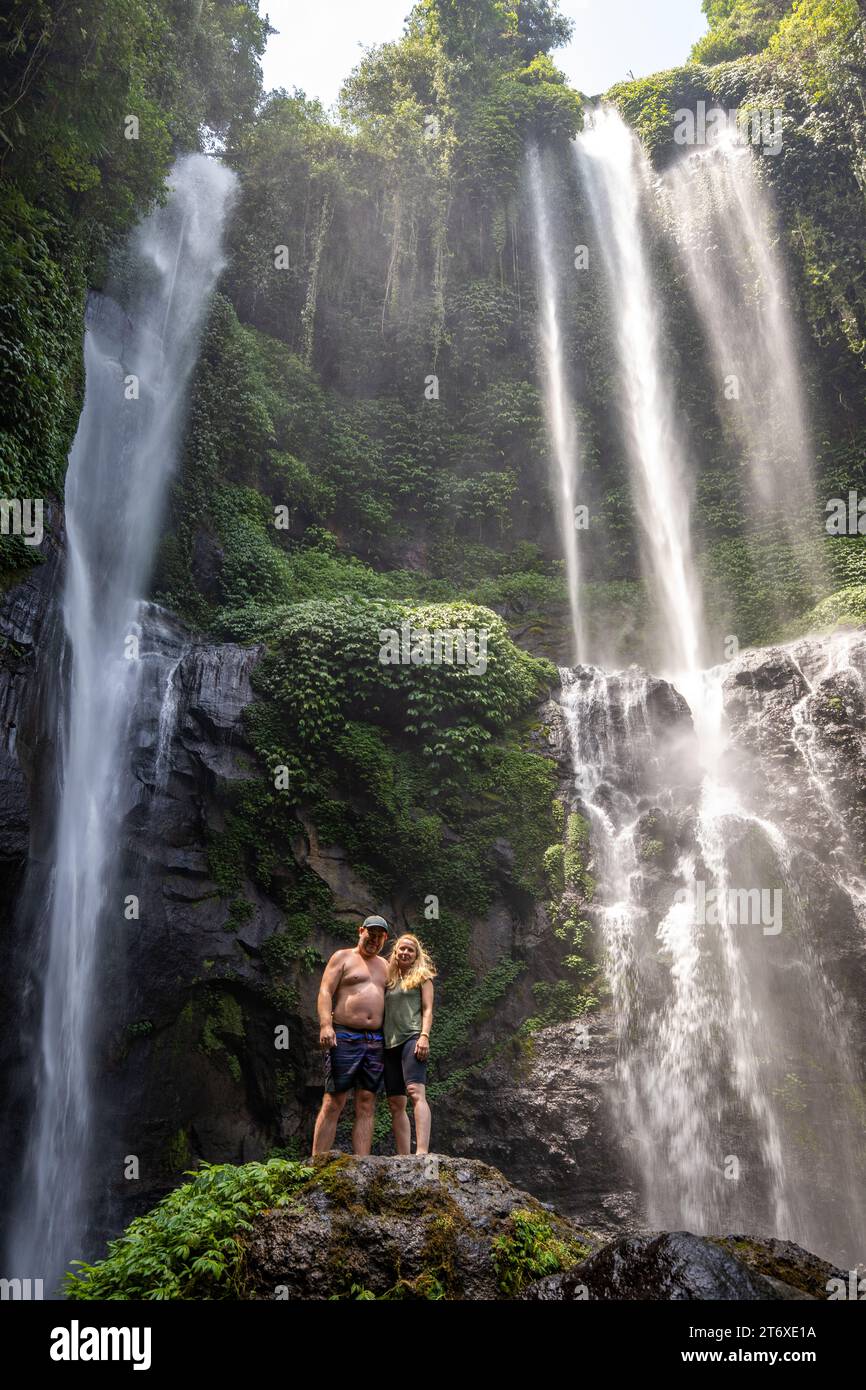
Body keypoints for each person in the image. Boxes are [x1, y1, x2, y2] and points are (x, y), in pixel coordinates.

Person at [312, 915, 390, 1156]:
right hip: (345, 1034)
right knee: (334, 1099)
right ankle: (317, 1163)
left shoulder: (386, 966)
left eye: (379, 937)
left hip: (376, 1039)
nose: (374, 940)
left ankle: (362, 1164)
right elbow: (325, 991)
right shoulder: (343, 957)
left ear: (385, 939)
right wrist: (326, 1025)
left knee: (367, 1101)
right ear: (360, 931)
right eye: (371, 934)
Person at [383, 934, 436, 1156]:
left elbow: (428, 1009)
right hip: (388, 1044)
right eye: (402, 949)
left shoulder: (423, 977)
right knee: (396, 1102)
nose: (405, 953)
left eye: (410, 950)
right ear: (395, 952)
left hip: (412, 1038)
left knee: (415, 1092)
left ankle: (421, 1152)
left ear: (416, 955)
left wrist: (424, 1036)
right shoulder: (388, 979)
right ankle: (403, 1156)